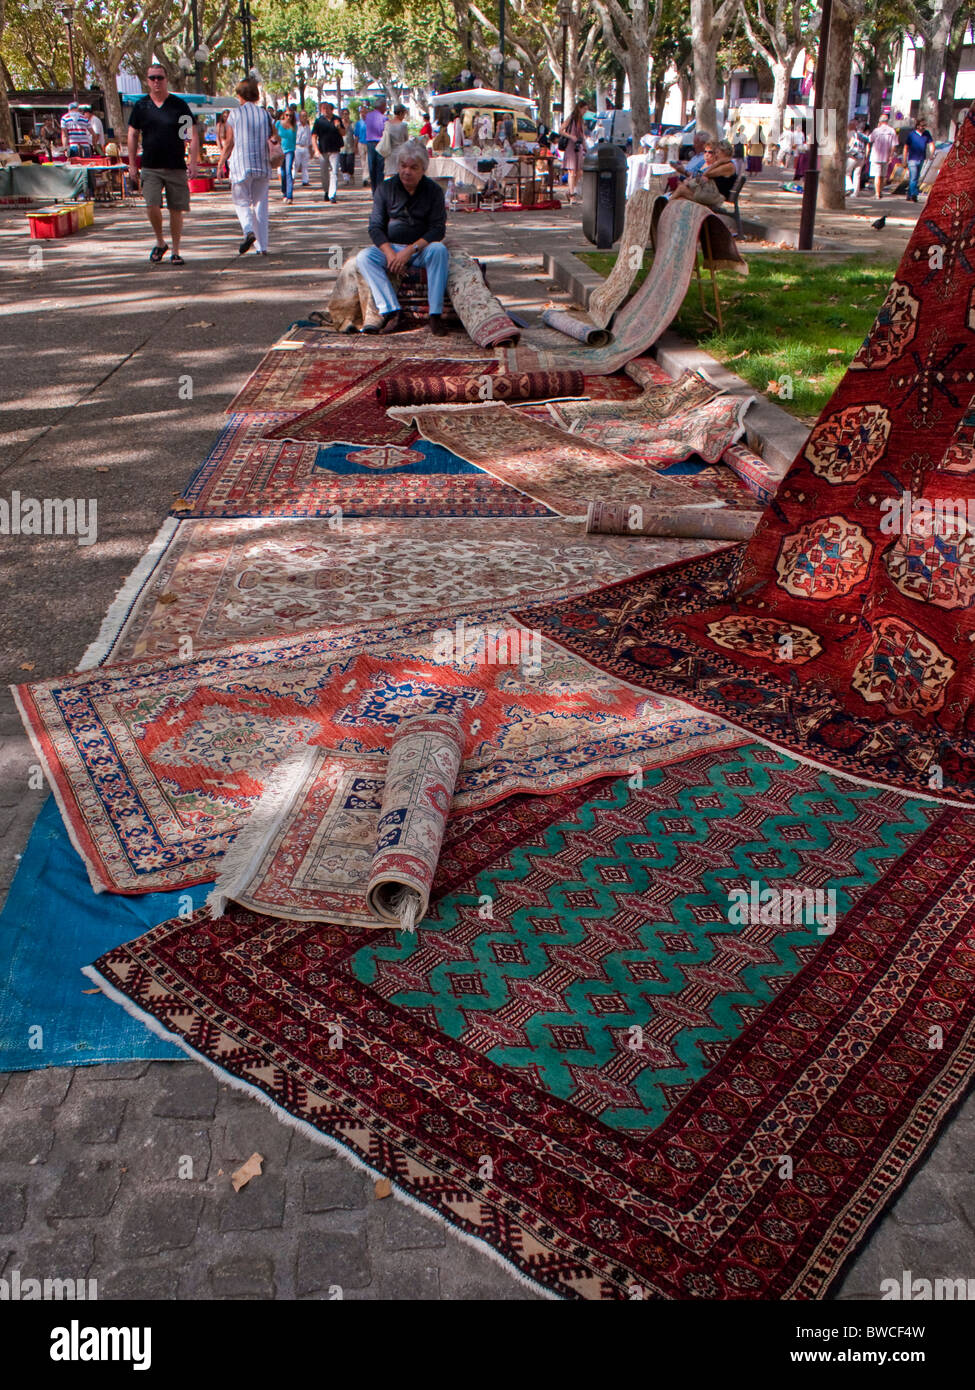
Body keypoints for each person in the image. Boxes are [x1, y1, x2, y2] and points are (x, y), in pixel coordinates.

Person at [359, 140, 449, 336]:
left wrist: (410, 250)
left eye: (413, 167)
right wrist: (390, 254)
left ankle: (435, 315)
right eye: (403, 166)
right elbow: (375, 227)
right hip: (392, 247)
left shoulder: (433, 191)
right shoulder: (385, 188)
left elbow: (438, 229)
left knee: (440, 250)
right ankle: (392, 311)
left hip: (421, 250)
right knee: (364, 257)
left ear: (423, 169)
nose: (407, 171)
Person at [127, 65, 199, 266]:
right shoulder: (141, 106)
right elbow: (132, 134)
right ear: (147, 81)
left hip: (175, 165)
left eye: (159, 77)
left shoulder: (178, 105)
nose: (156, 81)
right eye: (152, 78)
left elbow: (191, 135)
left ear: (166, 79)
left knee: (176, 209)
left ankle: (175, 250)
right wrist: (132, 164)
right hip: (150, 166)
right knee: (152, 205)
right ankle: (160, 242)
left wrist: (193, 162)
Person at [222, 76, 280, 256]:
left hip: (241, 164)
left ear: (240, 94)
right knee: (261, 205)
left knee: (241, 201)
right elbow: (275, 136)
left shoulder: (235, 115)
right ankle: (262, 246)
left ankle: (248, 230)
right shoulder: (265, 114)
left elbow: (230, 142)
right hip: (262, 164)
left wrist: (221, 161)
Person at [670, 138, 737, 208]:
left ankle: (665, 206)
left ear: (724, 152)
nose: (716, 155)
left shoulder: (729, 166)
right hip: (710, 194)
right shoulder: (726, 164)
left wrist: (717, 162)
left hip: (715, 197)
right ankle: (667, 206)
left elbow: (706, 174)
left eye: (717, 152)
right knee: (682, 191)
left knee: (681, 189)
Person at [312, 100, 343, 202]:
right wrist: (316, 150)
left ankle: (332, 194)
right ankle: (326, 190)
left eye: (327, 108)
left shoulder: (337, 119)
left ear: (331, 109)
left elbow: (344, 133)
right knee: (324, 173)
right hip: (323, 151)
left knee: (334, 172)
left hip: (335, 150)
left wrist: (338, 126)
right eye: (323, 108)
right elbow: (314, 136)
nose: (325, 110)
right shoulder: (318, 121)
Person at [559, 99, 589, 203]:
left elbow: (583, 136)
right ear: (579, 108)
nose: (585, 111)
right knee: (571, 171)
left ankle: (570, 190)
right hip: (570, 147)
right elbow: (561, 130)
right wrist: (571, 136)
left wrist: (586, 148)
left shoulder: (581, 120)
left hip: (578, 147)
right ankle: (572, 195)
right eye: (584, 109)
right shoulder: (571, 118)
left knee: (579, 171)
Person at [902, 116, 934, 202]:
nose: (923, 128)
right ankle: (914, 195)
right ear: (917, 126)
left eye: (924, 126)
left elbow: (931, 144)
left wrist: (931, 154)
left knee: (916, 177)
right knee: (913, 178)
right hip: (912, 159)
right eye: (921, 126)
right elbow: (906, 147)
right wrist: (904, 159)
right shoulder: (911, 135)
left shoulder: (926, 134)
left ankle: (909, 194)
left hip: (921, 159)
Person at [868, 110, 898, 198]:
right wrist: (891, 156)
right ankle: (880, 191)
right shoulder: (892, 131)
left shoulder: (876, 130)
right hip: (886, 156)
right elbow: (894, 145)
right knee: (883, 175)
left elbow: (870, 139)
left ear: (880, 122)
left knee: (877, 175)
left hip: (876, 156)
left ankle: (877, 193)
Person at [364, 97, 388, 192]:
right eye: (385, 106)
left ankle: (374, 190)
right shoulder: (384, 118)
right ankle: (379, 189)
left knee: (372, 167)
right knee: (380, 168)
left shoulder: (368, 116)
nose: (385, 108)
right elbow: (385, 131)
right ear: (381, 107)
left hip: (370, 143)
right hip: (380, 143)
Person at [381, 105, 409, 178]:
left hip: (389, 153)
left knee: (390, 176)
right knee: (400, 176)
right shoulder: (403, 125)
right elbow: (406, 140)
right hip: (401, 153)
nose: (404, 117)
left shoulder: (387, 124)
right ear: (400, 113)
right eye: (404, 114)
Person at [276, 108, 297, 202]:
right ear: (284, 115)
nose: (289, 117)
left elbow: (294, 139)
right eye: (287, 115)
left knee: (288, 170)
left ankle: (289, 195)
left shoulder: (294, 126)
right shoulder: (278, 124)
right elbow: (274, 134)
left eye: (291, 115)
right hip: (280, 150)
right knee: (283, 172)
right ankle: (284, 191)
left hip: (290, 151)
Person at [846, 117, 868, 195]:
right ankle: (855, 193)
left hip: (853, 155)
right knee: (857, 175)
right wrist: (866, 156)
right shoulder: (864, 136)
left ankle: (849, 187)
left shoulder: (853, 134)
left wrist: (847, 149)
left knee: (847, 173)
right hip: (861, 156)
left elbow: (850, 143)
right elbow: (867, 147)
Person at [294, 109, 312, 186]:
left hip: (305, 147)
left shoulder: (308, 127)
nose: (304, 117)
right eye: (303, 116)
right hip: (297, 147)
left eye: (305, 116)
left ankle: (305, 180)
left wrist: (311, 150)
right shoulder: (296, 126)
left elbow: (309, 138)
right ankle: (292, 179)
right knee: (296, 164)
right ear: (300, 117)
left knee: (305, 165)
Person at [340, 109, 356, 183]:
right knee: (343, 164)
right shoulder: (339, 124)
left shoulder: (352, 124)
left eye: (346, 114)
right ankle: (346, 179)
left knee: (350, 163)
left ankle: (351, 175)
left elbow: (355, 135)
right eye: (343, 114)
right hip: (341, 147)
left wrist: (356, 146)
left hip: (350, 147)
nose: (345, 115)